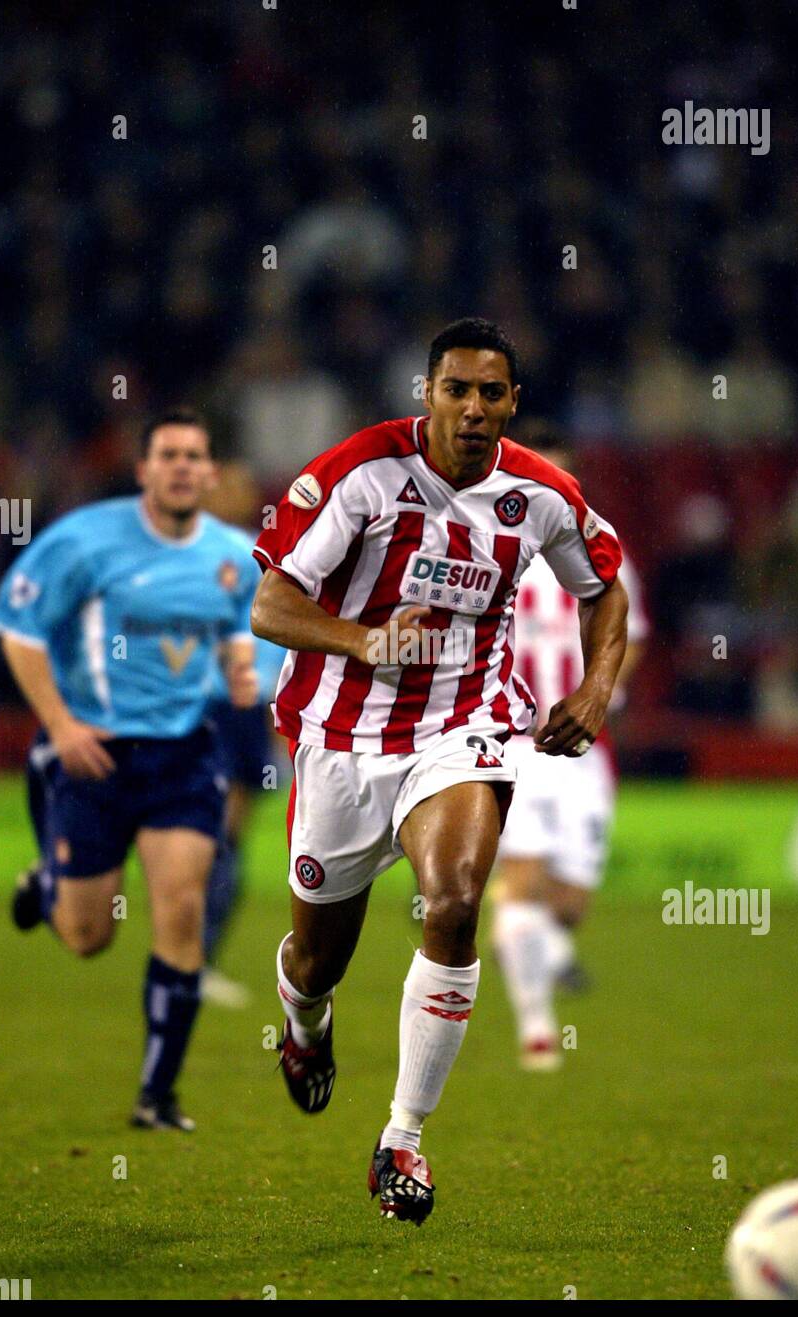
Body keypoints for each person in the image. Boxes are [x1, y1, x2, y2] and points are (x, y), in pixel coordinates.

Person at [249, 318, 628, 1224]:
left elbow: (604, 584)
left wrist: (598, 684)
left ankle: (403, 1139)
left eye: (490, 393)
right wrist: (361, 639)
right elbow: (270, 602)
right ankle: (306, 1029)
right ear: (427, 394)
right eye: (455, 389)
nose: (472, 408)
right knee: (316, 959)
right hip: (343, 742)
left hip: (464, 727)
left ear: (511, 404)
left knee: (454, 901)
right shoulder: (358, 474)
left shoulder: (542, 495)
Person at [0, 409, 260, 1131]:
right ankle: (47, 883)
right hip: (92, 752)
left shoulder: (235, 556)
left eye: (193, 456)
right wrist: (59, 723)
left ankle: (157, 1095)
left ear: (209, 472)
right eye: (166, 454)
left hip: (183, 754)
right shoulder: (84, 540)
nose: (180, 466)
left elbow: (244, 629)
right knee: (87, 937)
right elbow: (17, 628)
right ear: (143, 470)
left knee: (181, 912)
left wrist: (241, 669)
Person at [489, 424, 649, 1069]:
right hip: (514, 741)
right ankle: (537, 1029)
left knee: (570, 902)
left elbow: (630, 636)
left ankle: (533, 944)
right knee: (522, 879)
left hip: (584, 743)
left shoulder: (601, 548)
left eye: (559, 478)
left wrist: (599, 697)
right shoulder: (488, 544)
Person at [202, 461, 287, 1009]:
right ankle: (193, 957)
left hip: (249, 710)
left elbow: (283, 640)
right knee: (211, 831)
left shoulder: (265, 554)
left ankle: (199, 959)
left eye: (242, 483)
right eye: (227, 483)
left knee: (230, 833)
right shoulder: (197, 552)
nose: (239, 491)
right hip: (208, 704)